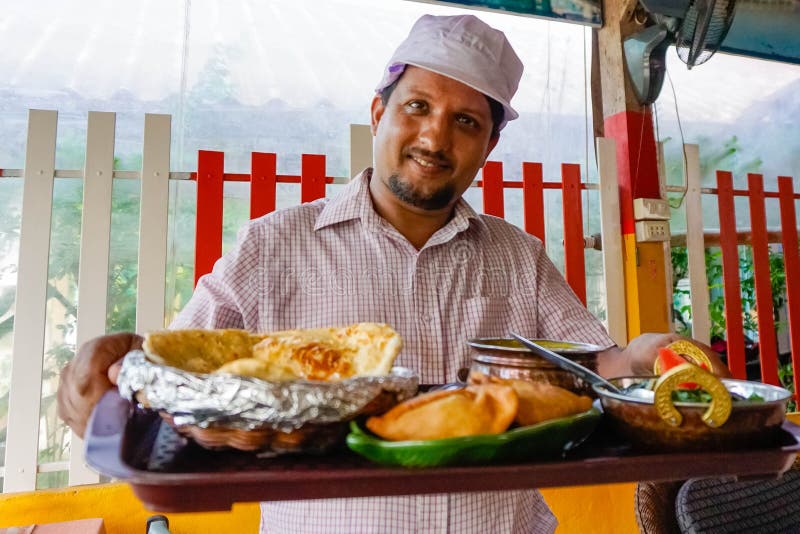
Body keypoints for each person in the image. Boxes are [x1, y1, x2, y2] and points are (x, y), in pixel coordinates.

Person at [57, 13, 728, 534]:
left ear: (489, 146)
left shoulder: (517, 256)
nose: (436, 139)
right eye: (418, 108)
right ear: (379, 112)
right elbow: (176, 380)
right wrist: (107, 376)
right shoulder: (274, 246)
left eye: (466, 121)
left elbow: (596, 366)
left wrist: (649, 355)